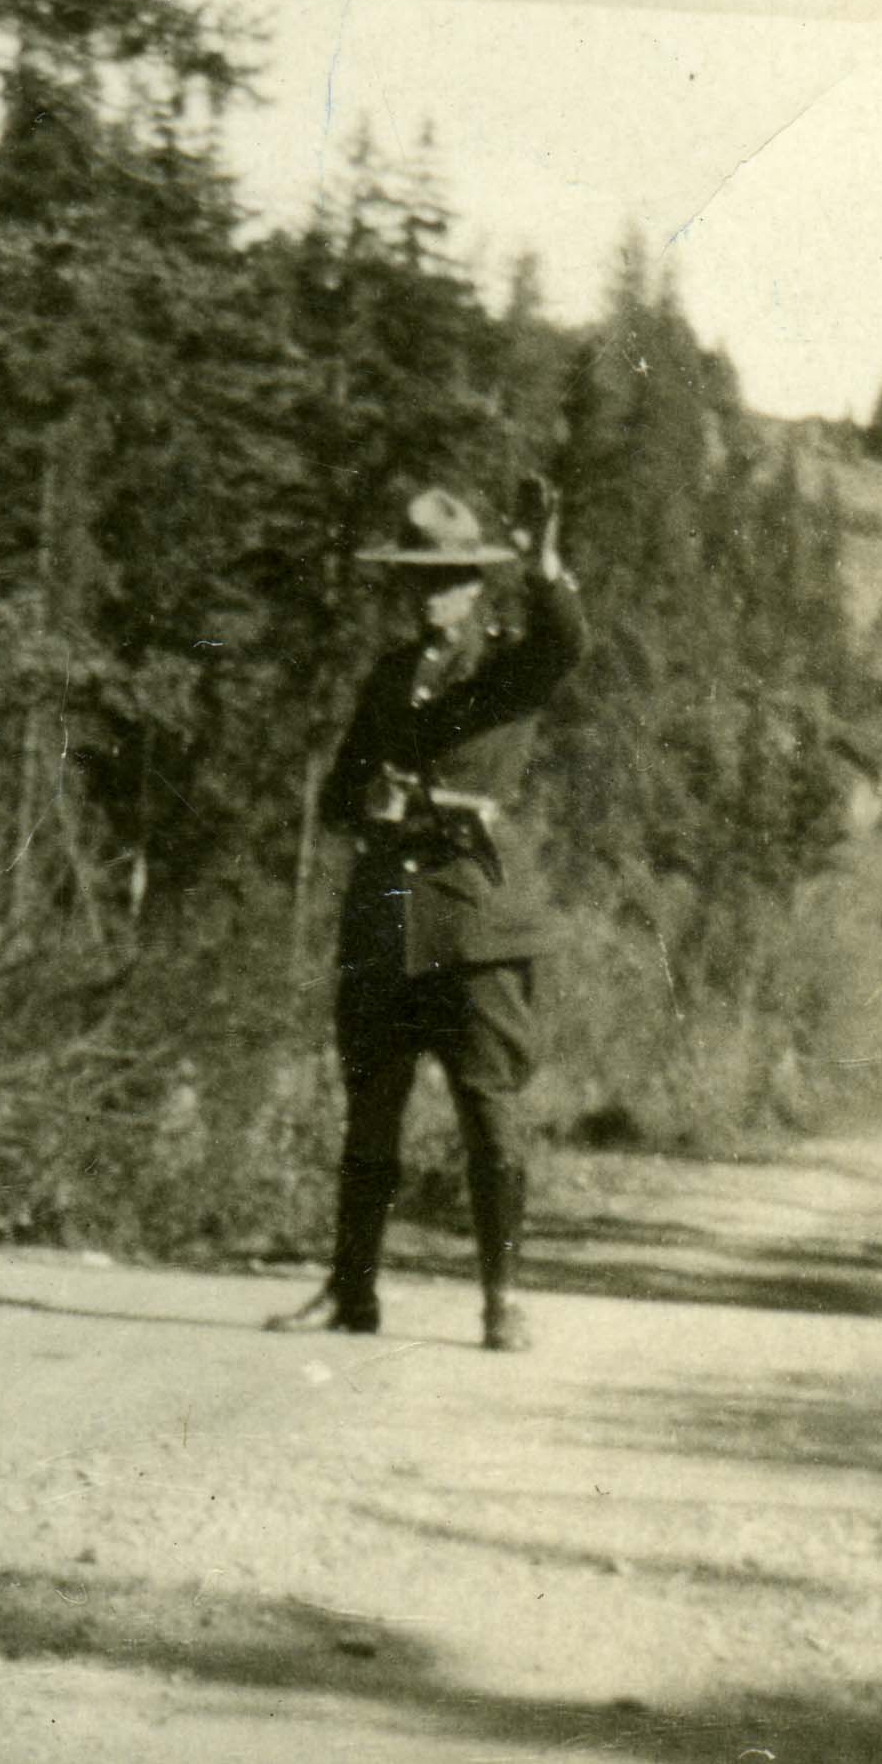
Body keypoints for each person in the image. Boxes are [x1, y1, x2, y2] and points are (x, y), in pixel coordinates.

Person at [278, 477, 586, 1352]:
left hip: (475, 918)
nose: (434, 593)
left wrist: (546, 565)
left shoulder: (505, 665)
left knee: (488, 1111)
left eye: (450, 576)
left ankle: (502, 1300)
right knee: (368, 1109)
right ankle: (351, 1290)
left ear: (479, 582)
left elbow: (568, 639)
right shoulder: (386, 678)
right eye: (420, 579)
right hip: (383, 917)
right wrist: (364, 797)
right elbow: (337, 792)